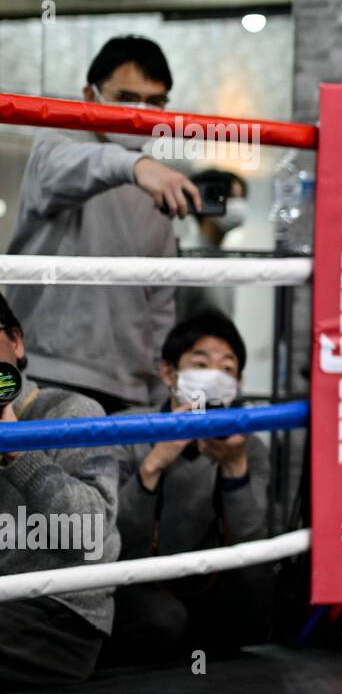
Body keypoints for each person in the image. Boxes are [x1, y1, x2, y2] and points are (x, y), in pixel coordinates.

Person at [5, 35, 202, 412]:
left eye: (155, 102)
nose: (140, 113)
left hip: (129, 388)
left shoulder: (157, 182)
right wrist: (135, 167)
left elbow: (159, 300)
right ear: (90, 96)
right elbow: (71, 167)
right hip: (43, 376)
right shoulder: (56, 144)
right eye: (126, 98)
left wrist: (162, 392)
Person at [99, 309, 273, 666]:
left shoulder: (248, 445)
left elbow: (253, 551)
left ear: (238, 383)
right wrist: (153, 465)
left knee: (260, 602)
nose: (215, 376)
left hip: (206, 582)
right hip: (134, 581)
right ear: (168, 372)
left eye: (227, 368)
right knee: (163, 621)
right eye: (201, 363)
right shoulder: (125, 431)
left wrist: (234, 467)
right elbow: (108, 542)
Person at [0, 291, 122, 689]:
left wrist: (18, 453)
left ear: (16, 341)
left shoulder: (74, 413)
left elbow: (88, 536)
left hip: (60, 616)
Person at [175, 169, 249, 321]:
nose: (238, 206)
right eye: (230, 198)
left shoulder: (222, 257)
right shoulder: (190, 258)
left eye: (241, 198)